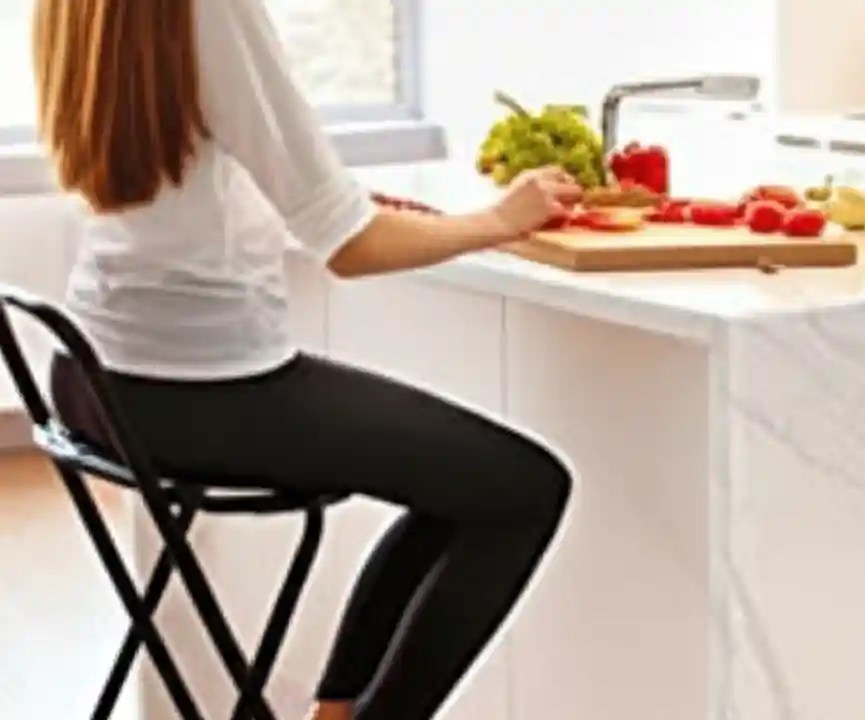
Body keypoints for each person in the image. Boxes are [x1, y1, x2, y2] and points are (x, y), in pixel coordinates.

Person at [32, 0, 581, 717]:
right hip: (199, 395)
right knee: (526, 488)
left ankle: (336, 713)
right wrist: (499, 221)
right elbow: (350, 250)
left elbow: (186, 172)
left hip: (93, 376)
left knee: (465, 484)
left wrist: (343, 203)